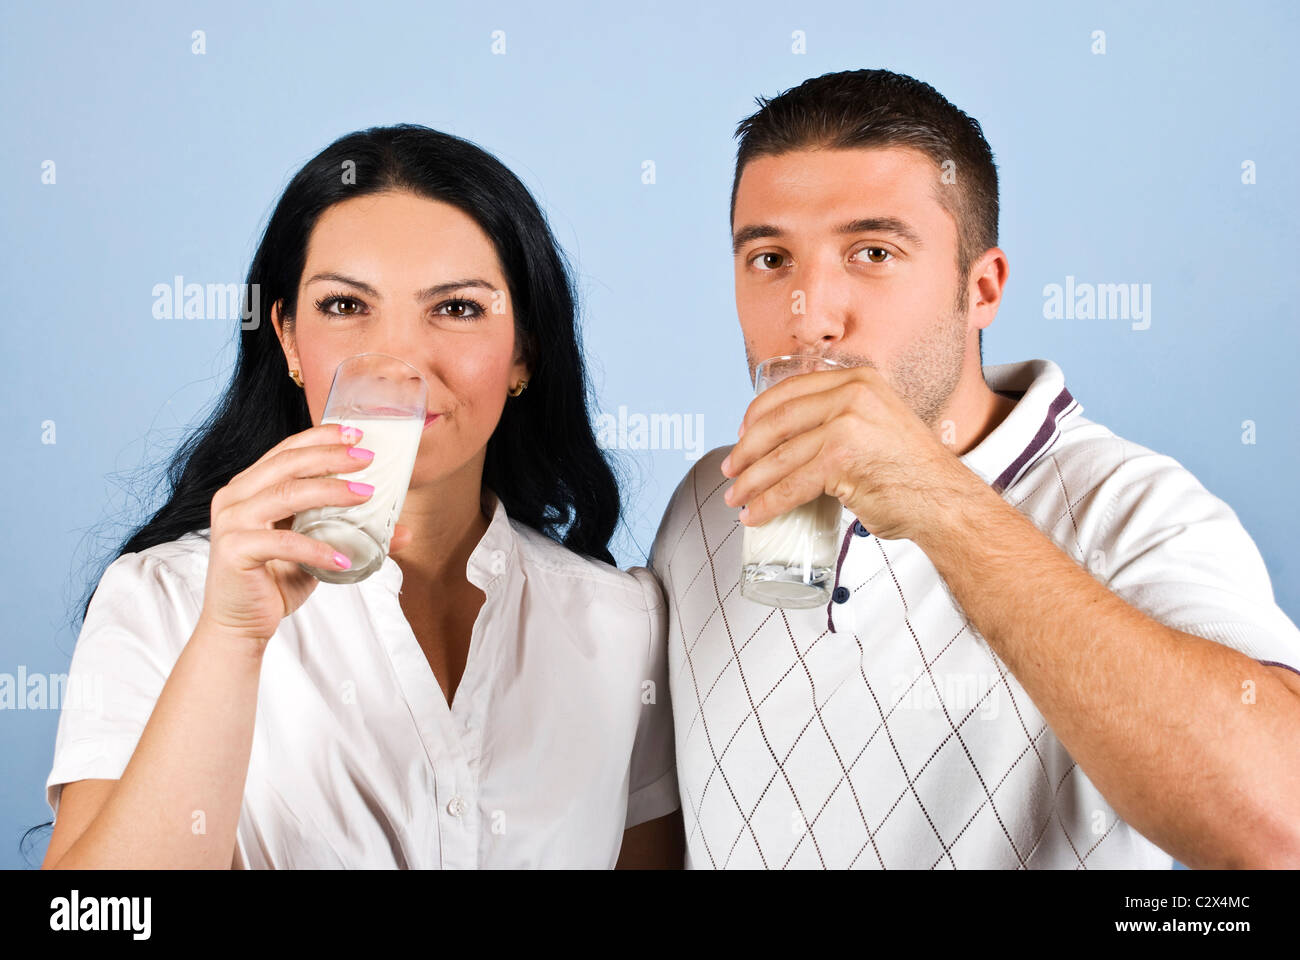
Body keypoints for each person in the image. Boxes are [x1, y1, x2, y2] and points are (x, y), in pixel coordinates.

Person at [648, 69, 1300, 869]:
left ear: (981, 288)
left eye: (873, 252)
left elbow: (1281, 825)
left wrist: (938, 503)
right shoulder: (705, 508)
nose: (809, 317)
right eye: (770, 258)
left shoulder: (1131, 509)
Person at [40, 124, 683, 869]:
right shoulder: (167, 603)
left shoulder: (622, 624)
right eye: (346, 306)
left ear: (524, 353)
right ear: (285, 339)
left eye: (459, 308)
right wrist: (230, 639)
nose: (401, 358)